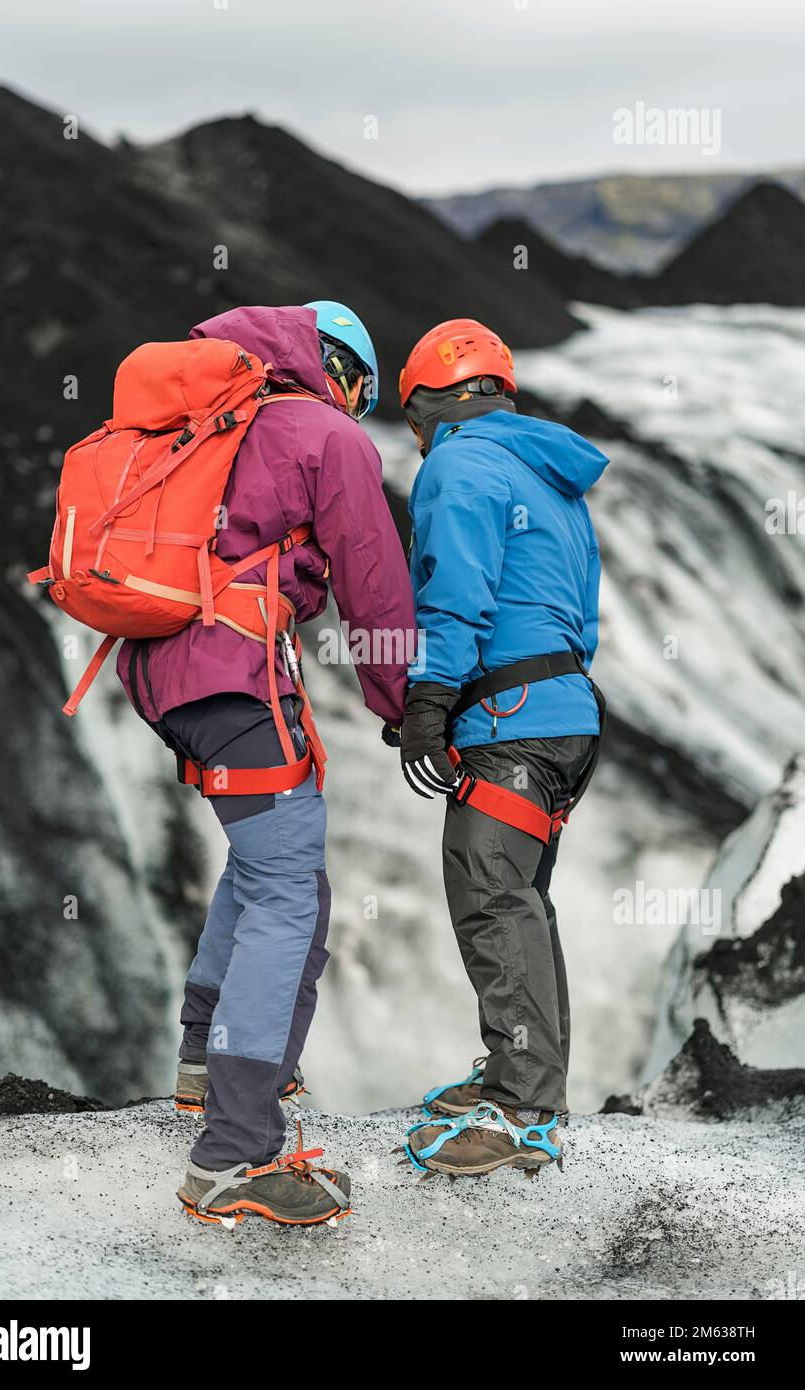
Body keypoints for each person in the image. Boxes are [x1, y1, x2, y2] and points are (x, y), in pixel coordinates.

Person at [116, 302, 415, 1224]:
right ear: (340, 371)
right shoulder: (326, 434)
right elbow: (374, 583)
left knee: (259, 865)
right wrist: (405, 705)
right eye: (361, 389)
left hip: (160, 672)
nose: (357, 408)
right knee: (292, 894)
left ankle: (203, 1068)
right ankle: (234, 1154)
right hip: (233, 674)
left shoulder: (205, 417)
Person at [395, 319, 608, 1178]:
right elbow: (574, 612)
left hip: (510, 720)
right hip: (566, 714)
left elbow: (455, 592)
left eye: (413, 423)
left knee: (490, 894)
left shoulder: (459, 465)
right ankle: (522, 1077)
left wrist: (430, 700)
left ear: (428, 405)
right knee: (522, 900)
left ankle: (522, 1110)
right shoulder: (549, 476)